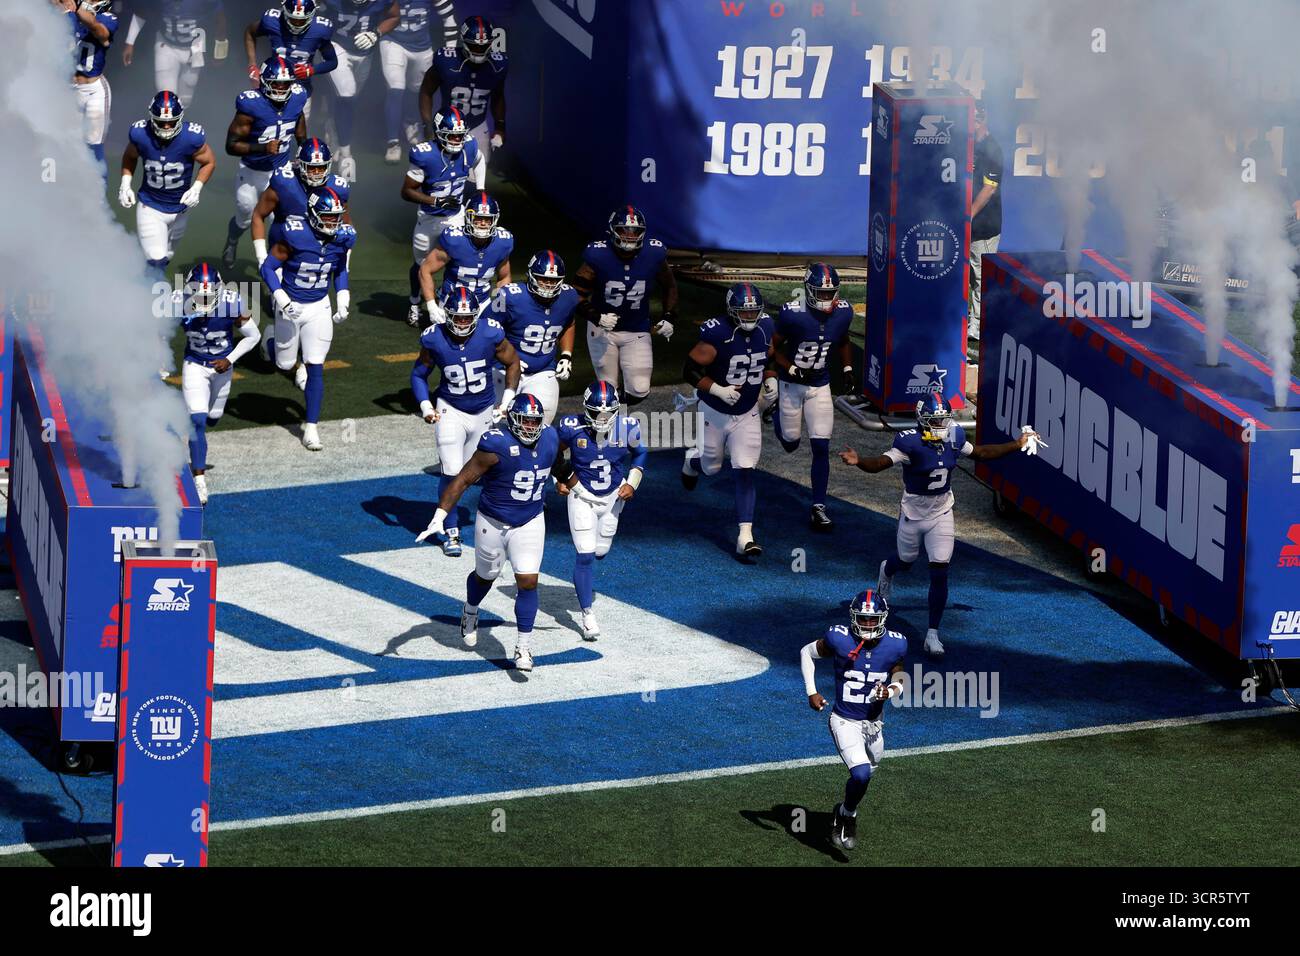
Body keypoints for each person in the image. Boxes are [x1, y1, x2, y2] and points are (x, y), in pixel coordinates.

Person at [839, 393, 1041, 657]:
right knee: (905, 561)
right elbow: (881, 463)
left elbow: (981, 452)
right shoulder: (908, 440)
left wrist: (1017, 444)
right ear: (922, 420)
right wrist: (860, 462)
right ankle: (886, 571)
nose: (940, 426)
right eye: (934, 420)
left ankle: (932, 633)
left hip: (942, 511)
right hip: (913, 511)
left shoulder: (954, 435)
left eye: (943, 419)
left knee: (940, 569)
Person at [416, 393, 559, 672]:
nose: (530, 427)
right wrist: (440, 515)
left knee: (528, 581)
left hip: (530, 520)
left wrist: (572, 484)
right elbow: (464, 478)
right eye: (525, 421)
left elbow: (561, 463)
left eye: (535, 422)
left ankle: (523, 647)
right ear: (513, 421)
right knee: (485, 577)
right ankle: (470, 609)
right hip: (492, 521)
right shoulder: (496, 444)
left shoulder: (551, 438)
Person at [410, 283, 522, 557]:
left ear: (476, 316)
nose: (462, 323)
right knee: (450, 469)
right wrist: (426, 406)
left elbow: (514, 362)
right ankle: (451, 531)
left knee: (473, 473)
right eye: (457, 317)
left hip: (483, 409)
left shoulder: (489, 332)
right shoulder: (434, 338)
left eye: (467, 317)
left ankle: (496, 521)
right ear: (447, 315)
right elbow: (418, 374)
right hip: (450, 408)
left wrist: (506, 400)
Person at [799, 590, 907, 852]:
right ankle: (847, 818)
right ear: (853, 617)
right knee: (859, 774)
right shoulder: (839, 637)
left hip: (874, 724)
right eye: (863, 619)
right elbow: (807, 652)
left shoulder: (897, 643)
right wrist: (811, 691)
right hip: (844, 720)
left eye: (873, 619)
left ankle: (846, 811)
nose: (868, 625)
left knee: (865, 777)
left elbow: (899, 673)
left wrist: (892, 690)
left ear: (882, 619)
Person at [681, 283, 775, 559]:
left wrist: (771, 379)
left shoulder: (767, 327)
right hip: (714, 411)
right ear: (732, 311)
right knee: (711, 467)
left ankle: (745, 536)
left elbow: (770, 357)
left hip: (747, 412)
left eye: (753, 312)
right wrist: (717, 389)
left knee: (745, 470)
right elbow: (690, 369)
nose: (749, 318)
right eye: (744, 313)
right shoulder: (717, 333)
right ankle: (692, 461)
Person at [258, 190, 356, 451]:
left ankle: (311, 426)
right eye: (327, 217)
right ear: (313, 216)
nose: (333, 223)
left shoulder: (342, 238)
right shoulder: (294, 233)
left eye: (336, 218)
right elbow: (267, 268)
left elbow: (340, 269)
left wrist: (343, 298)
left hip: (319, 307)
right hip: (290, 305)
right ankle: (268, 340)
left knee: (315, 366)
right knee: (285, 362)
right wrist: (282, 299)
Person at [553, 381, 647, 640]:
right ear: (586, 410)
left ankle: (586, 593)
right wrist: (559, 479)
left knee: (600, 552)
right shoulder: (572, 428)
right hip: (581, 495)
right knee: (585, 555)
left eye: (607, 413)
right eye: (597, 413)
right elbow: (552, 453)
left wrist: (632, 482)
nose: (602, 418)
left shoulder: (628, 426)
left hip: (614, 498)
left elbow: (640, 453)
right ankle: (587, 615)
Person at [770, 263, 855, 531]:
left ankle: (818, 506)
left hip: (820, 386)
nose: (827, 299)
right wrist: (791, 367)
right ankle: (775, 414)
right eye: (821, 293)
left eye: (831, 293)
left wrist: (847, 367)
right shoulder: (792, 314)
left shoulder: (843, 312)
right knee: (790, 444)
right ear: (808, 290)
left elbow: (842, 339)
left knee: (821, 447)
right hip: (791, 386)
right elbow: (770, 346)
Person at [572, 206, 677, 407]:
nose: (629, 236)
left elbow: (670, 286)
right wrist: (597, 317)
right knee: (607, 390)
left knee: (639, 389)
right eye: (624, 230)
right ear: (612, 231)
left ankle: (618, 408)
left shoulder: (654, 253)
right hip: (602, 329)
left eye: (634, 231)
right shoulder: (598, 255)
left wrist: (669, 316)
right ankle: (609, 422)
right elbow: (575, 294)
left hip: (637, 328)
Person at [175, 262, 259, 505]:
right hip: (195, 364)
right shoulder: (177, 302)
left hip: (222, 368)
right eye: (198, 294)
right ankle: (199, 479)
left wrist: (229, 359)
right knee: (197, 420)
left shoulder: (232, 302)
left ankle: (203, 423)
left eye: (208, 294)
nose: (202, 299)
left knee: (213, 416)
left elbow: (254, 336)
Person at [222, 56, 308, 270]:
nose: (280, 89)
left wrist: (303, 148)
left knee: (280, 219)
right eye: (276, 83)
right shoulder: (251, 104)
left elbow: (298, 121)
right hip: (252, 169)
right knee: (245, 215)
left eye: (285, 84)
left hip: (280, 169)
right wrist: (263, 147)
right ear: (265, 82)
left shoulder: (297, 98)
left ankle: (274, 265)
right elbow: (231, 145)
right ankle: (232, 239)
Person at [401, 108, 485, 326]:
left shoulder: (469, 146)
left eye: (460, 135)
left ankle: (447, 301)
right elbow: (407, 191)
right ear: (439, 133)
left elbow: (480, 159)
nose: (457, 140)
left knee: (455, 261)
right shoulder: (426, 154)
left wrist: (480, 188)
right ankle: (414, 302)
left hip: (455, 217)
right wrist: (435, 201)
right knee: (421, 265)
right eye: (452, 135)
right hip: (428, 218)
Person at [118, 90, 216, 274]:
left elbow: (209, 162)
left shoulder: (191, 137)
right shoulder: (141, 134)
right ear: (152, 117)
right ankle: (147, 298)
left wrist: (197, 187)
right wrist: (125, 183)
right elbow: (130, 157)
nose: (167, 126)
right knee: (156, 260)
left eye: (171, 121)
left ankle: (146, 281)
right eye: (162, 122)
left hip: (180, 209)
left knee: (167, 256)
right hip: (151, 206)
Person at [492, 251, 579, 426]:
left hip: (543, 370)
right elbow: (488, 330)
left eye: (554, 281)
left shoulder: (568, 297)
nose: (548, 285)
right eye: (543, 279)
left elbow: (569, 323)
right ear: (531, 276)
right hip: (504, 369)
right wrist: (507, 358)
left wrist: (566, 354)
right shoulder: (511, 296)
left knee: (538, 427)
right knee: (497, 426)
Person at [326, 0, 399, 182]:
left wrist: (376, 33)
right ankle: (346, 154)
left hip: (365, 53)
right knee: (346, 93)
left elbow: (395, 16)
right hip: (337, 46)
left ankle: (333, 126)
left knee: (350, 100)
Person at [418, 15, 507, 163]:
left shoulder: (498, 65)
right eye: (474, 46)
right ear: (464, 42)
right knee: (440, 174)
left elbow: (498, 96)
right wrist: (427, 124)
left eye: (483, 46)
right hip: (447, 126)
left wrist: (500, 127)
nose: (479, 50)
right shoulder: (446, 61)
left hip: (478, 124)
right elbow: (426, 91)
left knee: (476, 177)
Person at [415, 191, 512, 327]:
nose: (483, 223)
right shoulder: (454, 240)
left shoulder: (503, 242)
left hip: (483, 303)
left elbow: (504, 277)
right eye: (478, 218)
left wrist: (501, 300)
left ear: (495, 219)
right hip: (452, 302)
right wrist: (431, 306)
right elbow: (425, 270)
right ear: (468, 217)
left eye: (487, 219)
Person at [121, 0, 229, 107]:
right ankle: (168, 122)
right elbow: (141, 12)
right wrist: (129, 42)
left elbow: (220, 19)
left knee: (186, 97)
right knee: (166, 99)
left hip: (195, 46)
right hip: (166, 45)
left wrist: (220, 52)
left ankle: (182, 121)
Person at [243, 0, 336, 121]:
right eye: (293, 19)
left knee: (296, 134)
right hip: (271, 87)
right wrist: (252, 65)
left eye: (302, 20)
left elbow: (332, 62)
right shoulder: (272, 21)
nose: (297, 24)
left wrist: (311, 70)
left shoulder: (320, 30)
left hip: (300, 90)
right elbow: (250, 32)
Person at [63, 0, 118, 178]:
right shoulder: (70, 15)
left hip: (95, 90)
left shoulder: (108, 18)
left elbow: (98, 30)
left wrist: (77, 9)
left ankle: (99, 194)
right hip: (70, 90)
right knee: (69, 142)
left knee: (94, 144)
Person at [969, 105, 1003, 350]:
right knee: (968, 275)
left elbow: (989, 189)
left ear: (980, 121)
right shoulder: (970, 146)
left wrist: (967, 215)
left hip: (985, 226)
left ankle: (979, 326)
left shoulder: (992, 149)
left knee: (981, 276)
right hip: (968, 224)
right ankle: (971, 321)